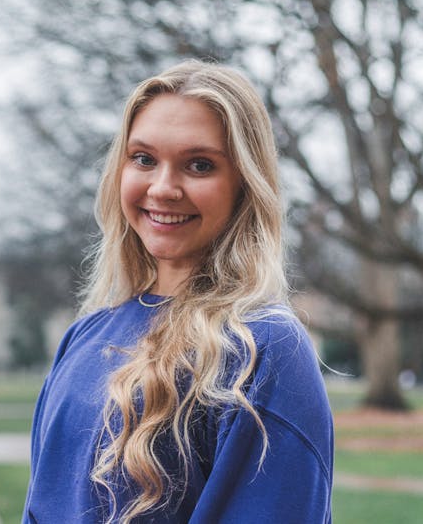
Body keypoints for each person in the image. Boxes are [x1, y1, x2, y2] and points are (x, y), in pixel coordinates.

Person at [23, 60, 334, 524]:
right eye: (143, 159)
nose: (163, 188)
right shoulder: (83, 337)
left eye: (199, 165)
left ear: (244, 187)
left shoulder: (262, 348)